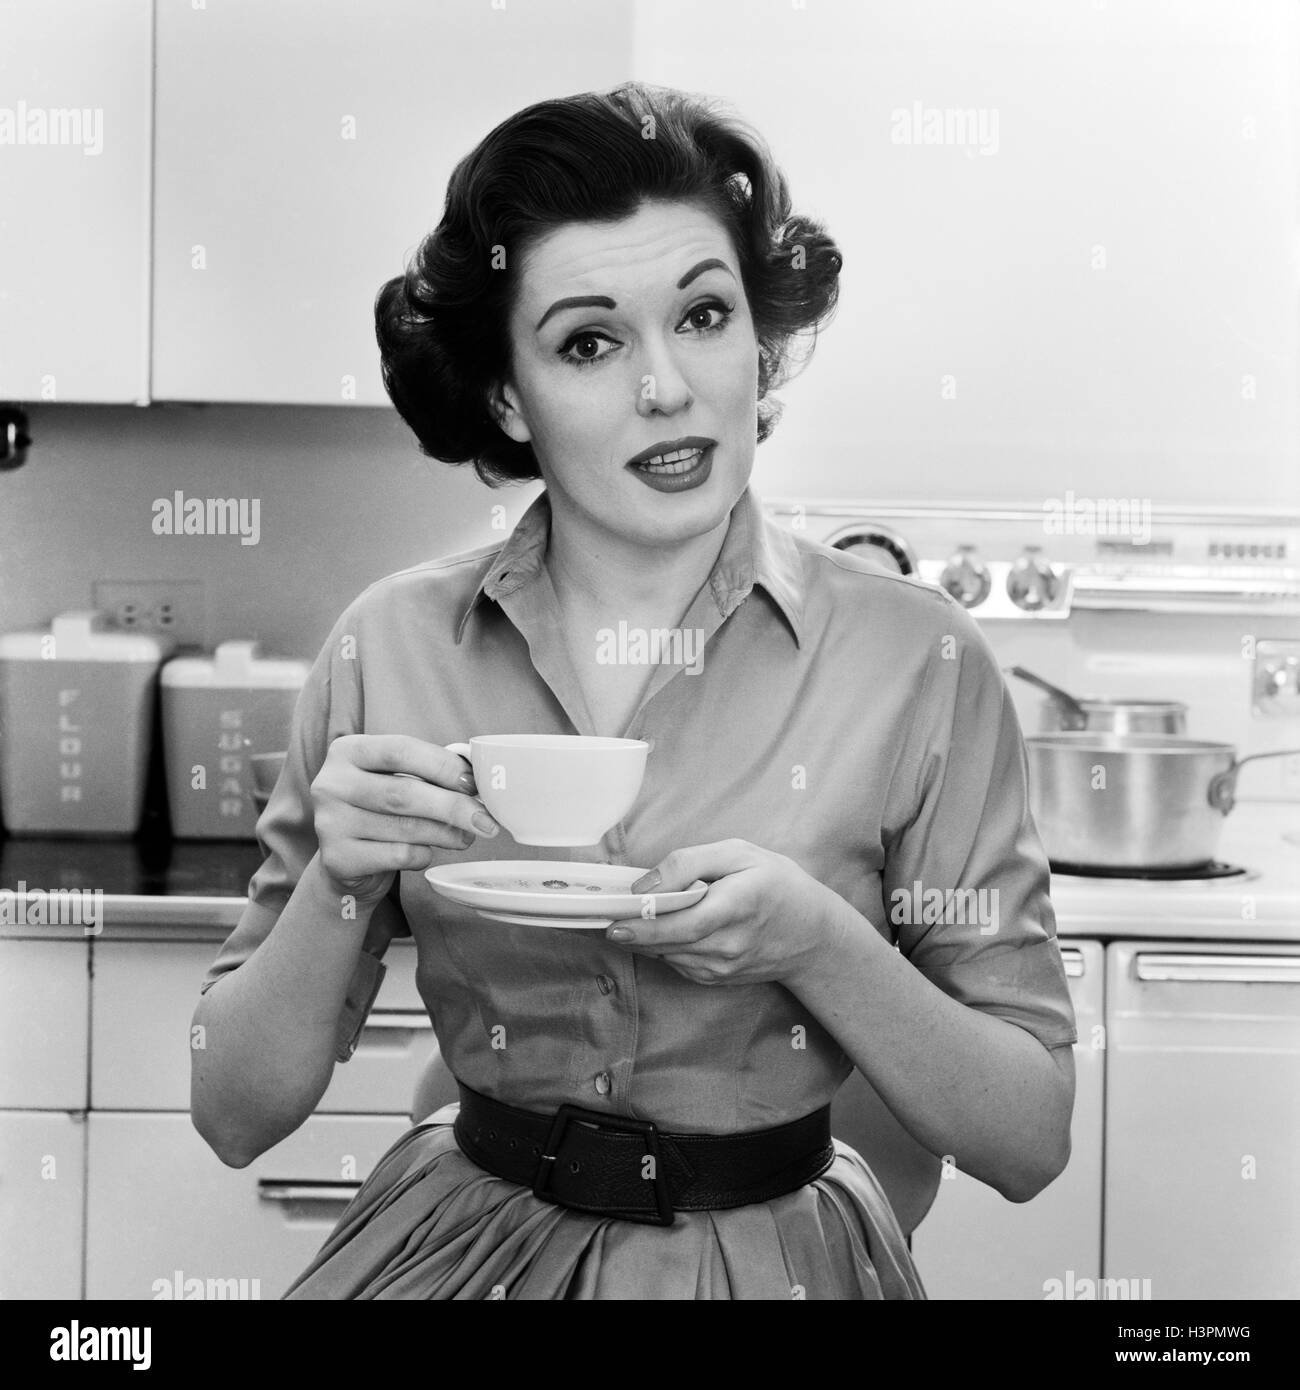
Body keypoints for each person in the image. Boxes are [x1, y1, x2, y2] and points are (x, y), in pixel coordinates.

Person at [190, 80, 1077, 1300]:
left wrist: (817, 945)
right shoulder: (387, 644)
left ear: (756, 345)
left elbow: (1027, 1137)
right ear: (508, 394)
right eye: (589, 342)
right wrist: (338, 884)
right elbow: (233, 1110)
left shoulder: (917, 661)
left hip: (778, 1261)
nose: (665, 385)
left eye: (704, 316)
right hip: (461, 1248)